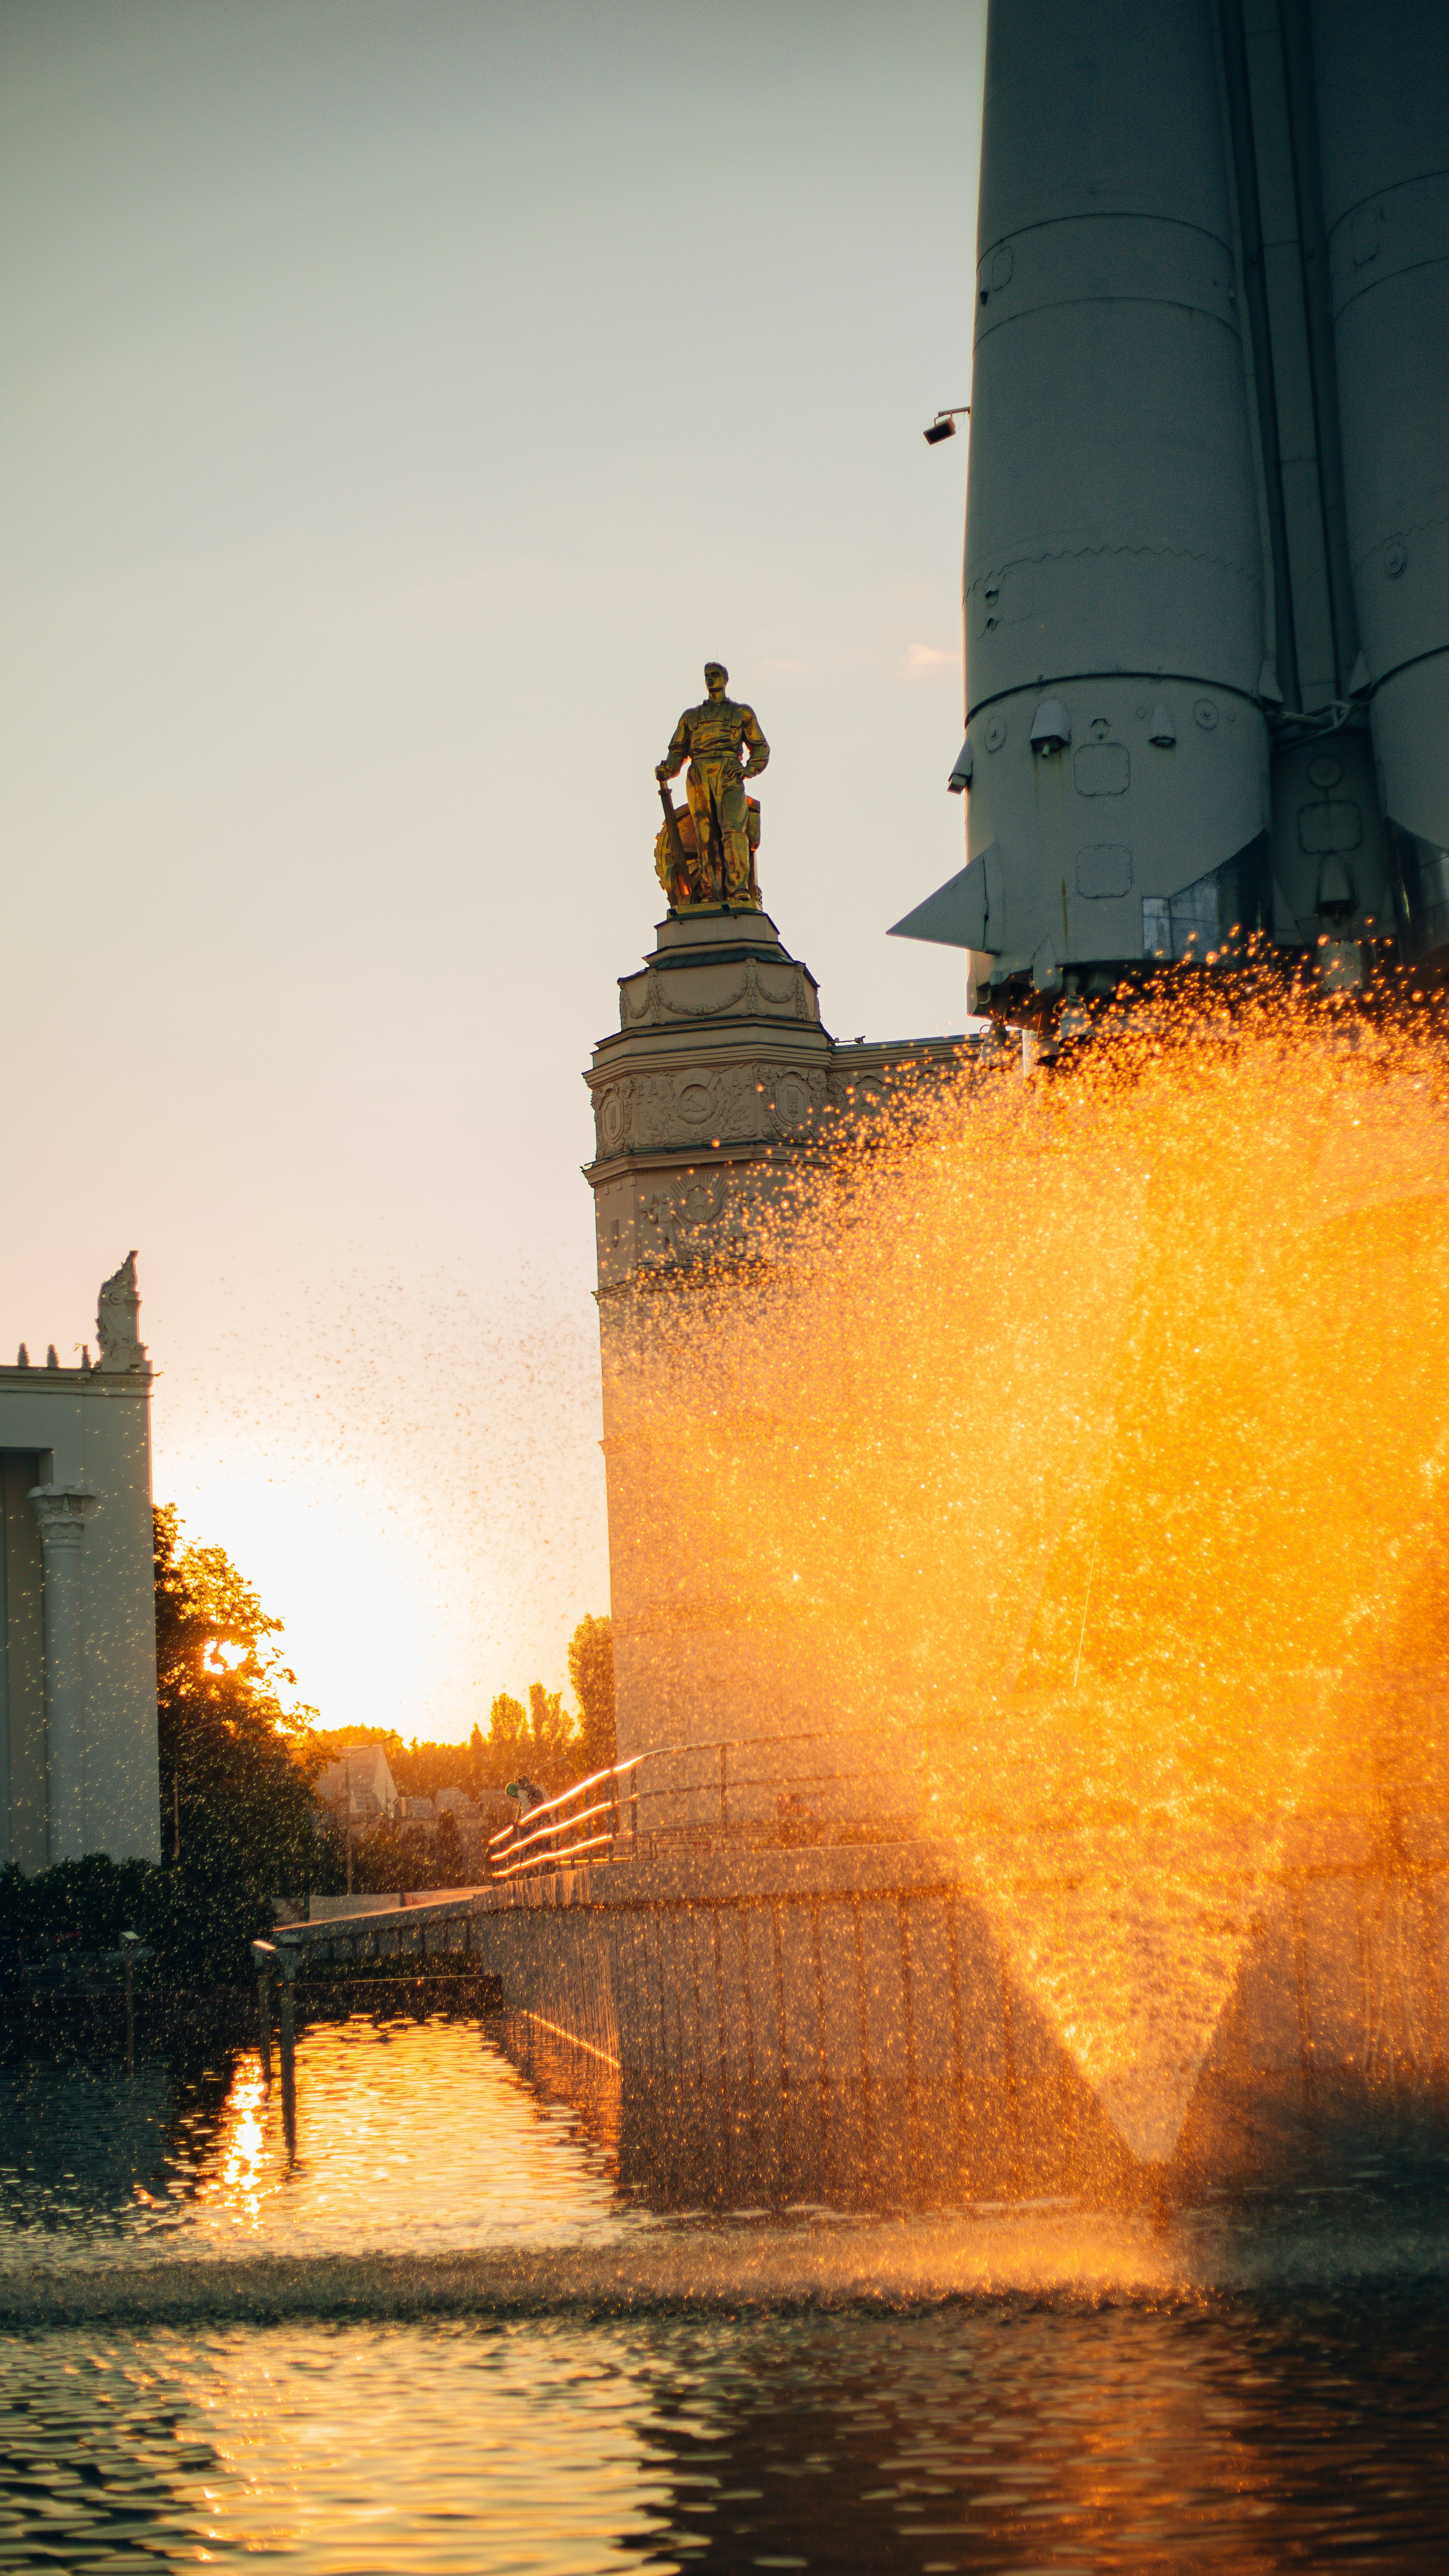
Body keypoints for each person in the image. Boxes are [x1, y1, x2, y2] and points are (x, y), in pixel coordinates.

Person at [656, 662, 769, 908]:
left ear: (725, 679)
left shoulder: (742, 713)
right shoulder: (691, 716)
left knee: (733, 831)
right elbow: (678, 752)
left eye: (715, 675)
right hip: (699, 773)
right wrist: (668, 768)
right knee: (705, 835)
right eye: (707, 676)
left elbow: (760, 747)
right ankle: (711, 892)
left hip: (729, 772)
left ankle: (739, 889)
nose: (710, 679)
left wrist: (748, 770)